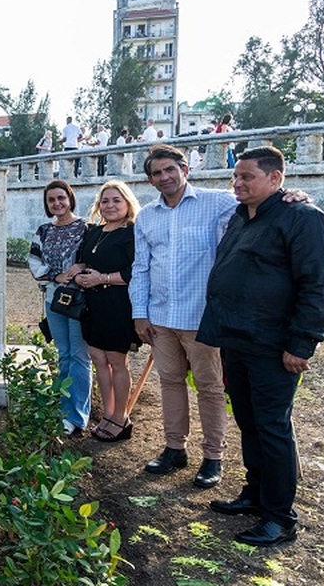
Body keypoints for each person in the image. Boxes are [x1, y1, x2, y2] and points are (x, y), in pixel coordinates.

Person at [198, 146, 324, 547]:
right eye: (235, 177)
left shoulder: (303, 218)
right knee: (250, 423)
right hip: (237, 341)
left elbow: (316, 286)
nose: (237, 183)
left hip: (275, 347)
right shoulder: (242, 217)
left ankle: (279, 518)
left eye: (247, 177)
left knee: (273, 428)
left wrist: (301, 344)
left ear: (276, 179)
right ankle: (255, 495)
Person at [129, 144, 235, 489]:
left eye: (169, 170)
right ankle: (175, 448)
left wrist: (293, 195)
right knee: (170, 383)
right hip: (160, 318)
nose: (164, 178)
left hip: (201, 318)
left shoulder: (217, 202)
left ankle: (213, 456)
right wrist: (139, 313)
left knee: (209, 387)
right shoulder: (146, 216)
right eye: (157, 173)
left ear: (184, 169)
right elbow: (140, 268)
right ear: (150, 179)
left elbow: (260, 200)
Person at [73, 181, 141, 441]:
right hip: (93, 305)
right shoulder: (94, 232)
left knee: (116, 361)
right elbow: (83, 263)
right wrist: (79, 276)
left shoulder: (131, 232)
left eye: (116, 200)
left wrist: (103, 278)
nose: (110, 206)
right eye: (105, 201)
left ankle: (121, 419)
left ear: (127, 203)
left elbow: (136, 271)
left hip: (118, 305)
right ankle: (108, 413)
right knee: (99, 361)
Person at [28, 180, 91, 436]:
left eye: (61, 198)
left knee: (79, 356)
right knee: (63, 354)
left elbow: (93, 256)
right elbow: (33, 260)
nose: (57, 203)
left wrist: (77, 269)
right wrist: (57, 276)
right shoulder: (44, 230)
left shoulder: (85, 228)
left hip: (79, 301)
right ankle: (63, 410)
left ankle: (77, 416)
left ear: (70, 198)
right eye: (51, 200)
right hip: (53, 300)